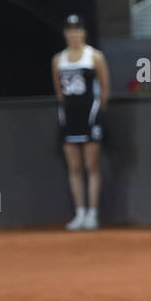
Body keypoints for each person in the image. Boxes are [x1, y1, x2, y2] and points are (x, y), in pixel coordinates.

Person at [52, 14, 110, 232]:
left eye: (77, 29)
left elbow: (104, 89)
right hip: (69, 117)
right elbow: (59, 91)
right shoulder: (58, 60)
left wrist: (97, 115)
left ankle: (93, 213)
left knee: (91, 166)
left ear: (83, 32)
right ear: (65, 33)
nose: (73, 34)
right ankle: (80, 212)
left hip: (90, 115)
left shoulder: (94, 57)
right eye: (69, 30)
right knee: (74, 167)